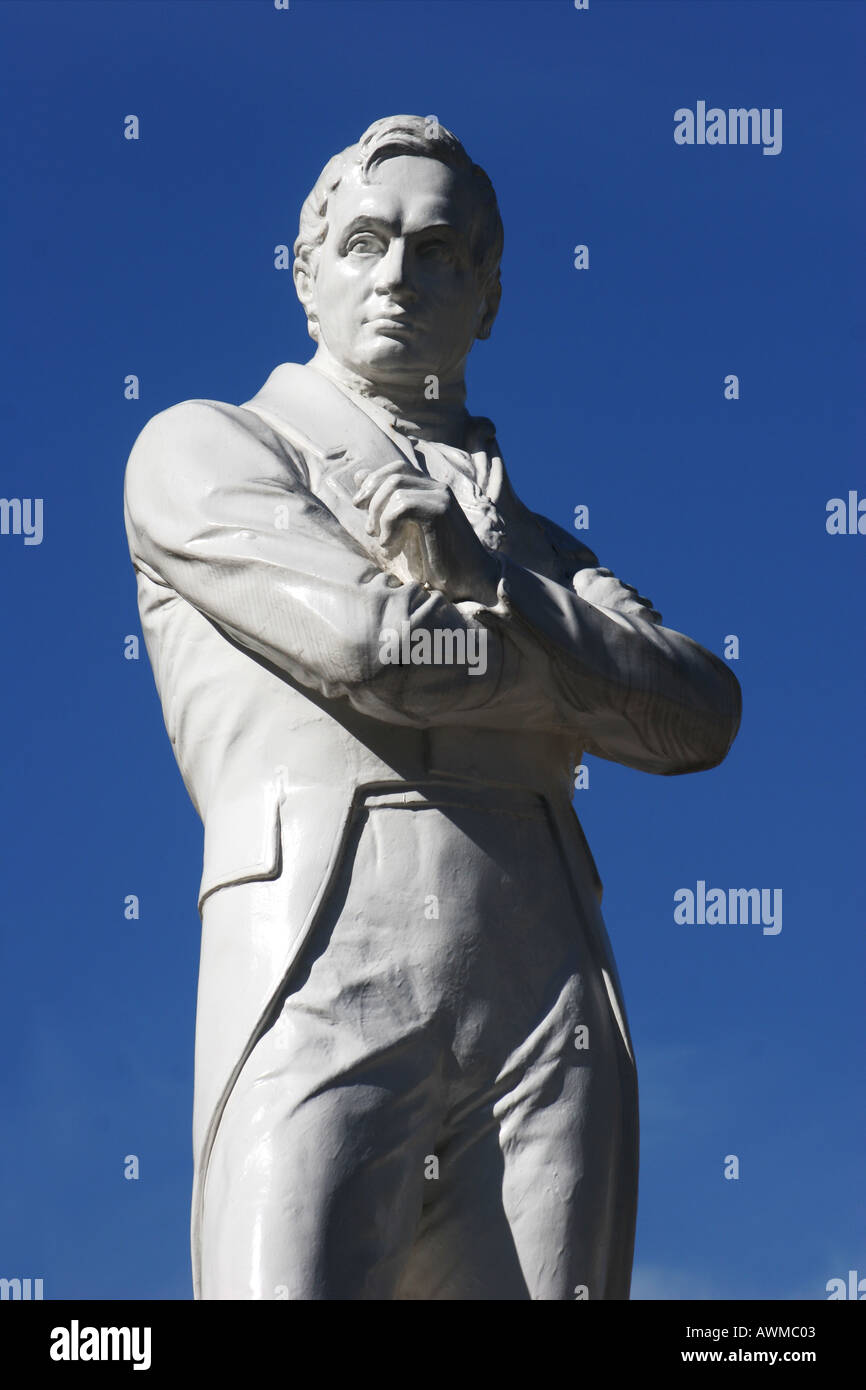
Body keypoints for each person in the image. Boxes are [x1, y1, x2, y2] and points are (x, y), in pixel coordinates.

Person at [123, 115, 741, 1300]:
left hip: (544, 966)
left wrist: (494, 583)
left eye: (439, 250)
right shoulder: (204, 447)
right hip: (317, 940)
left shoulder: (539, 552)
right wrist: (574, 686)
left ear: (489, 296)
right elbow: (368, 646)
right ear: (306, 273)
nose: (399, 274)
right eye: (364, 241)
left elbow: (698, 713)